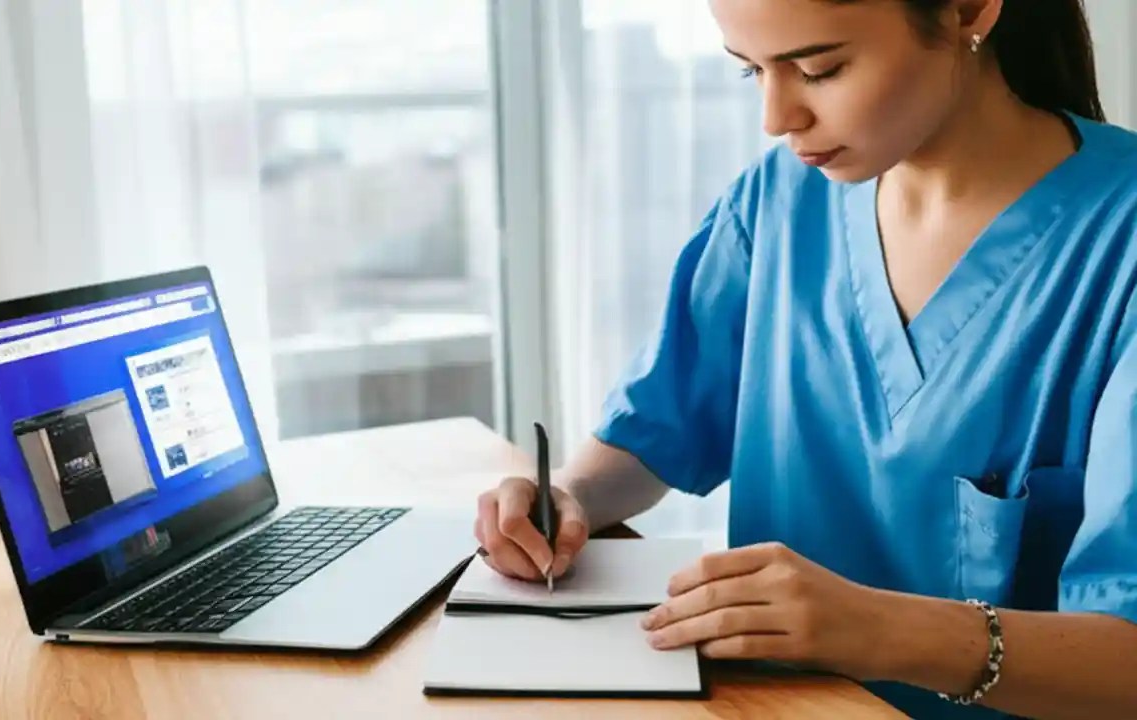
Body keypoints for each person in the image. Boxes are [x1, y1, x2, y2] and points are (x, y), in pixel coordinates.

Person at [472, 0, 1137, 717]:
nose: (777, 117)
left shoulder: (1116, 242)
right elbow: (657, 428)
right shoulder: (776, 202)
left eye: (821, 69)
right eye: (750, 71)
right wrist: (570, 497)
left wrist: (876, 631)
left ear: (970, 9)